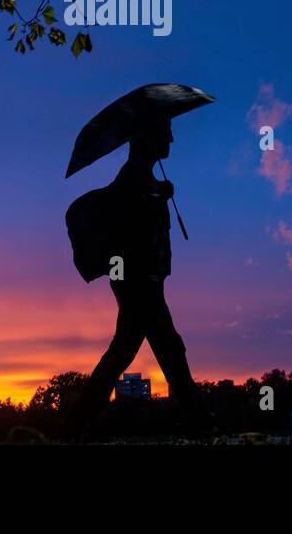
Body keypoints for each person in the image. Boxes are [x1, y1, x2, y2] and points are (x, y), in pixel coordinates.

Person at [66, 118, 213, 438]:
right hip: (138, 281)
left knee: (132, 352)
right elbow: (131, 222)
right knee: (166, 350)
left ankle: (74, 425)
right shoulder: (132, 179)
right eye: (165, 133)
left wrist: (159, 192)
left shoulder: (143, 179)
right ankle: (202, 424)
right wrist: (155, 196)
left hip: (147, 280)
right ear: (147, 138)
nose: (171, 139)